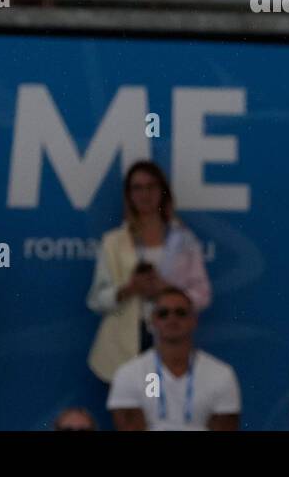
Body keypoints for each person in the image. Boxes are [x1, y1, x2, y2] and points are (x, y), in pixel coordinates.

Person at [87, 160, 211, 384]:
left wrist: (166, 290)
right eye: (137, 188)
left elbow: (202, 295)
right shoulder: (114, 242)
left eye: (151, 186)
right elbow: (96, 299)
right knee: (128, 413)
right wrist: (130, 288)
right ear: (129, 195)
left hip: (168, 338)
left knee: (166, 410)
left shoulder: (184, 240)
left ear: (162, 191)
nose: (145, 194)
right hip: (124, 344)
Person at [106, 287, 241, 430]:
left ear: (194, 320)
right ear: (152, 320)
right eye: (163, 313)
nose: (172, 318)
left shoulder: (221, 374)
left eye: (180, 313)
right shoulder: (128, 374)